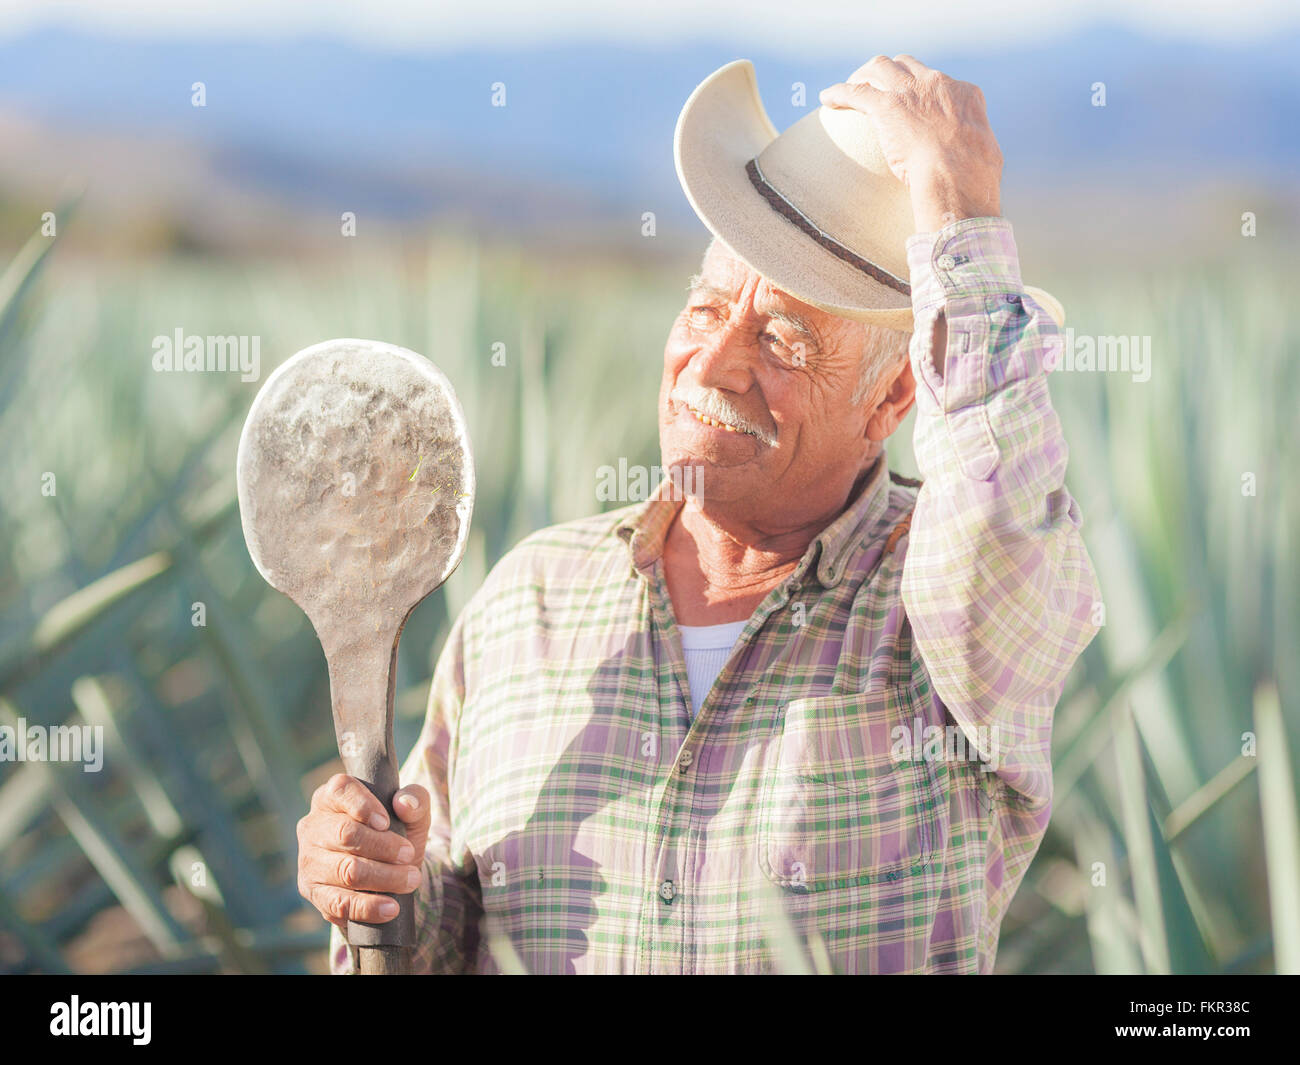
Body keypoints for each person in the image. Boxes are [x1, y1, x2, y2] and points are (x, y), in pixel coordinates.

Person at [297, 54, 1102, 974]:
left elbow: (1004, 527)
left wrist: (959, 213)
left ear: (889, 405)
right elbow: (455, 934)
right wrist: (385, 899)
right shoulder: (529, 599)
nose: (712, 363)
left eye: (783, 338)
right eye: (708, 305)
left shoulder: (948, 626)